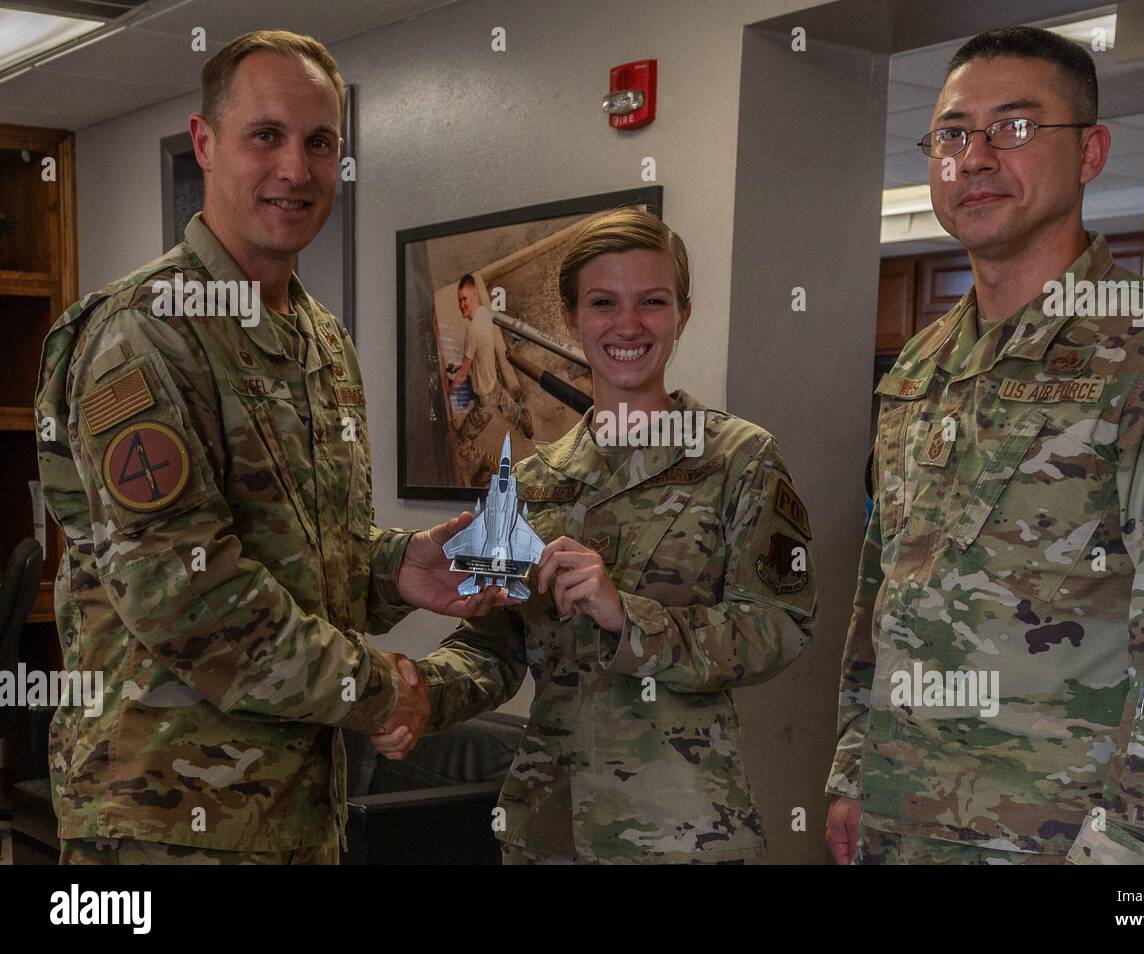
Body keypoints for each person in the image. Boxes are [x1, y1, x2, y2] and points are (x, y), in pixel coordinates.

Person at [34, 30, 505, 865]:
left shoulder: (318, 337)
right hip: (161, 820)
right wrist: (383, 687)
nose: (296, 168)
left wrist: (394, 566)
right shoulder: (145, 332)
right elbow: (189, 599)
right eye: (267, 135)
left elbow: (298, 554)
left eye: (320, 142)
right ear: (206, 142)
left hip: (294, 810)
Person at [824, 26, 1144, 865]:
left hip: (1055, 839)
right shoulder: (924, 363)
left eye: (1017, 127)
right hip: (899, 819)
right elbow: (885, 583)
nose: (977, 157)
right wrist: (854, 768)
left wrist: (1124, 843)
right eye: (953, 134)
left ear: (1093, 152)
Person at [374, 209, 818, 863]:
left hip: (682, 831)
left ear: (682, 315)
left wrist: (627, 617)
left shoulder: (739, 460)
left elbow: (779, 628)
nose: (628, 325)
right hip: (548, 828)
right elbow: (492, 647)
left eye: (653, 302)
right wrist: (419, 693)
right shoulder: (529, 481)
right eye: (604, 302)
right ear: (572, 319)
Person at [448, 275, 534, 441]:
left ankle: (484, 463)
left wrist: (448, 389)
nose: (462, 305)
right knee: (507, 405)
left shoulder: (472, 331)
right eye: (460, 300)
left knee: (463, 440)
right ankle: (524, 422)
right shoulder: (484, 314)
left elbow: (464, 373)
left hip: (485, 399)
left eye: (464, 299)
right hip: (493, 382)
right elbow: (480, 353)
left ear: (474, 295)